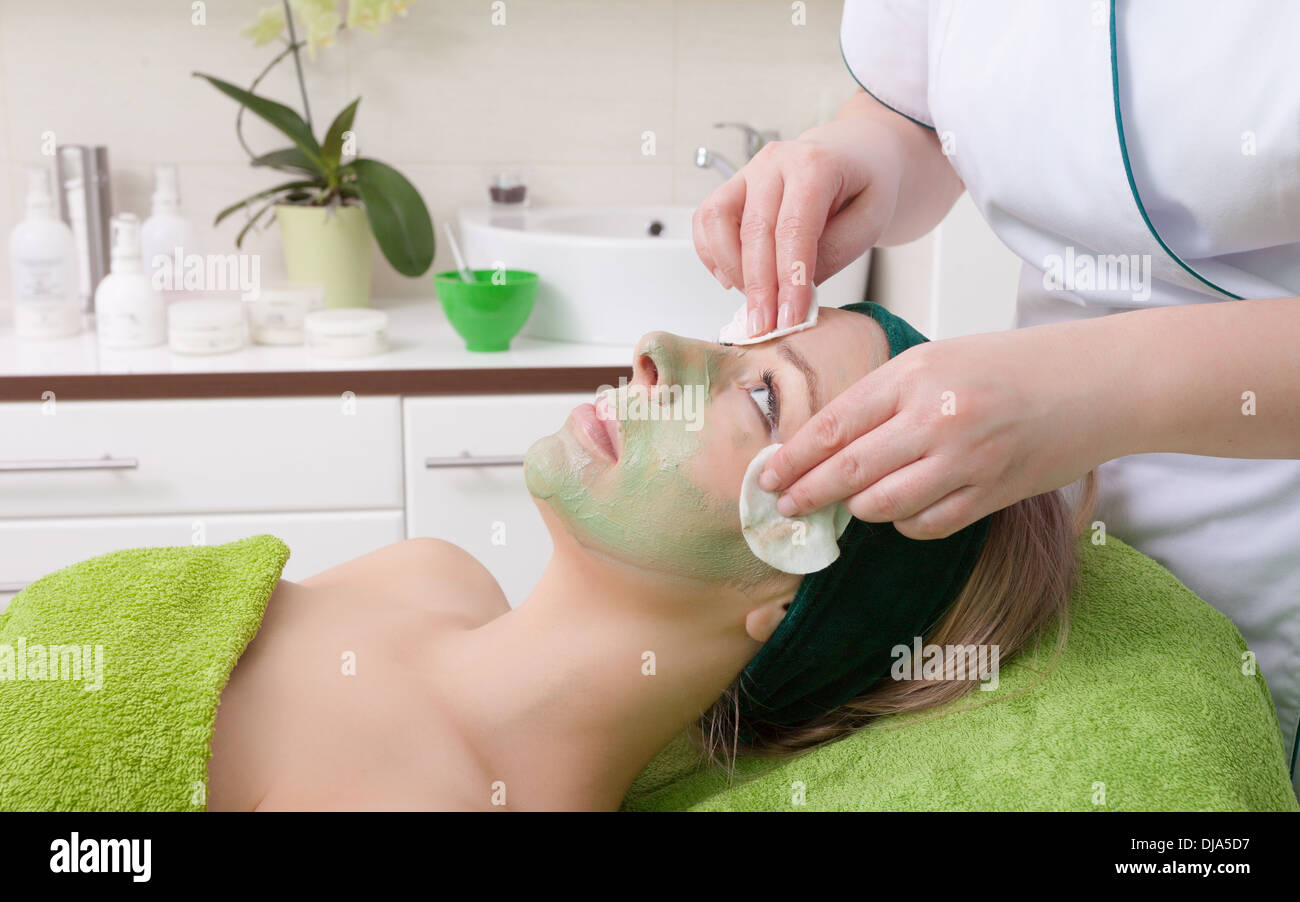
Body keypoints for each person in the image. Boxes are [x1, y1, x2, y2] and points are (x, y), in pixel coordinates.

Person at [691, 0, 1300, 784]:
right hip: (1073, 525)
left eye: (768, 397)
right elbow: (907, 106)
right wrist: (855, 155)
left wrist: (1101, 386)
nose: (647, 355)